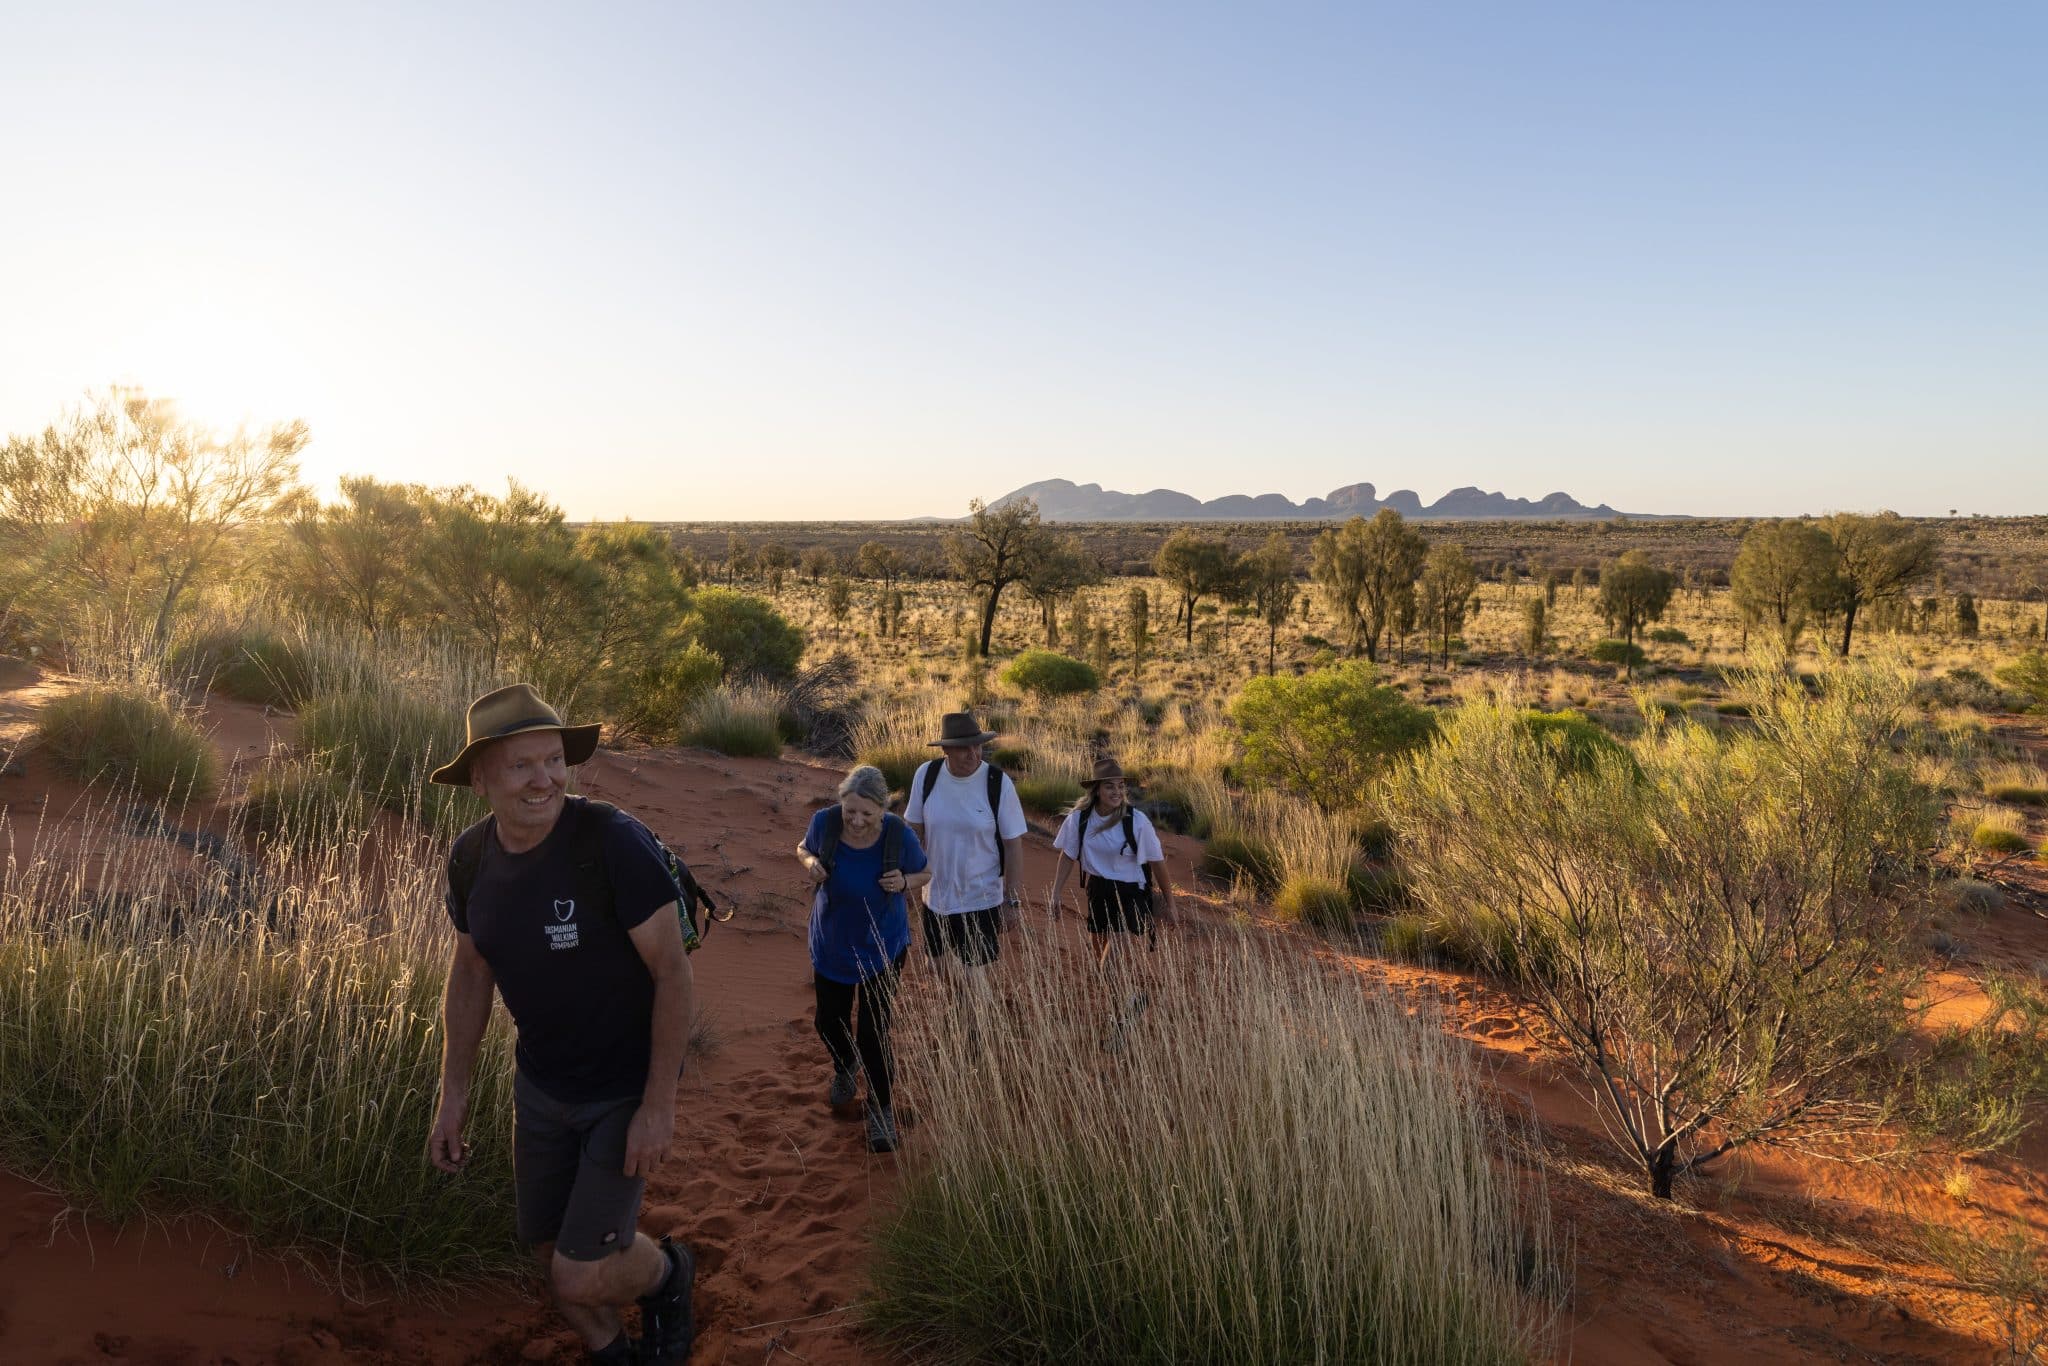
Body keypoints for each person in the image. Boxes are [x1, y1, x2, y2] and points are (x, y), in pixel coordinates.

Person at [426, 683, 698, 1366]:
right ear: (482, 777)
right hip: (541, 1087)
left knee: (578, 1272)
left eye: (553, 760)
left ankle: (668, 1274)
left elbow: (672, 972)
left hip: (622, 1084)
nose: (544, 779)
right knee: (550, 1255)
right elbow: (471, 971)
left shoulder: (610, 842)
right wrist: (451, 1095)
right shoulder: (468, 859)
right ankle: (618, 1354)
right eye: (521, 765)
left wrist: (658, 1105)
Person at [794, 764, 930, 1153]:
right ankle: (844, 1066)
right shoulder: (825, 823)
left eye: (866, 814)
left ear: (882, 811)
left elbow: (925, 872)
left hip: (882, 948)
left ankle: (881, 1111)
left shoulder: (898, 836)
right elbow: (803, 848)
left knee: (874, 1035)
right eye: (849, 810)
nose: (855, 820)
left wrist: (905, 882)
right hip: (832, 942)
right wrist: (810, 864)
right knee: (827, 1022)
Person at [1047, 757, 1177, 1051]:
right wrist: (1055, 893)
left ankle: (1120, 1023)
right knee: (1103, 964)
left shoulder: (1137, 822)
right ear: (1096, 790)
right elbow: (1068, 855)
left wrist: (1170, 903)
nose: (1117, 792)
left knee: (1109, 966)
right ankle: (1126, 1006)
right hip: (1098, 892)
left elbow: (1157, 863)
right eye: (1110, 786)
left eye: (1120, 786)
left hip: (1130, 895)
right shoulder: (1080, 819)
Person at [903, 710, 1028, 981]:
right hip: (935, 896)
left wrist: (1011, 901)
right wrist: (906, 883)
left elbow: (1013, 845)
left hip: (981, 898)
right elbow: (913, 832)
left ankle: (976, 1023)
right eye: (963, 748)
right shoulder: (927, 775)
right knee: (936, 967)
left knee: (974, 977)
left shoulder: (997, 783)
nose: (973, 754)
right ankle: (961, 1016)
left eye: (978, 745)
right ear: (946, 749)